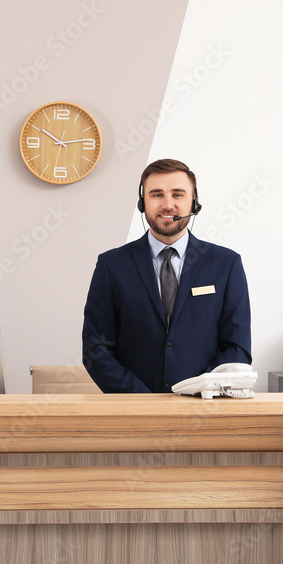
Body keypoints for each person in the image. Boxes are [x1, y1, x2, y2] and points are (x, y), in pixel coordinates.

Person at [82, 159, 252, 393]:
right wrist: (143, 402)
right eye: (157, 195)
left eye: (178, 194)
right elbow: (96, 350)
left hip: (204, 412)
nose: (168, 204)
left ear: (194, 202)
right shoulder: (112, 265)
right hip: (135, 413)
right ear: (142, 203)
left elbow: (237, 348)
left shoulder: (226, 264)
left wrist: (199, 392)